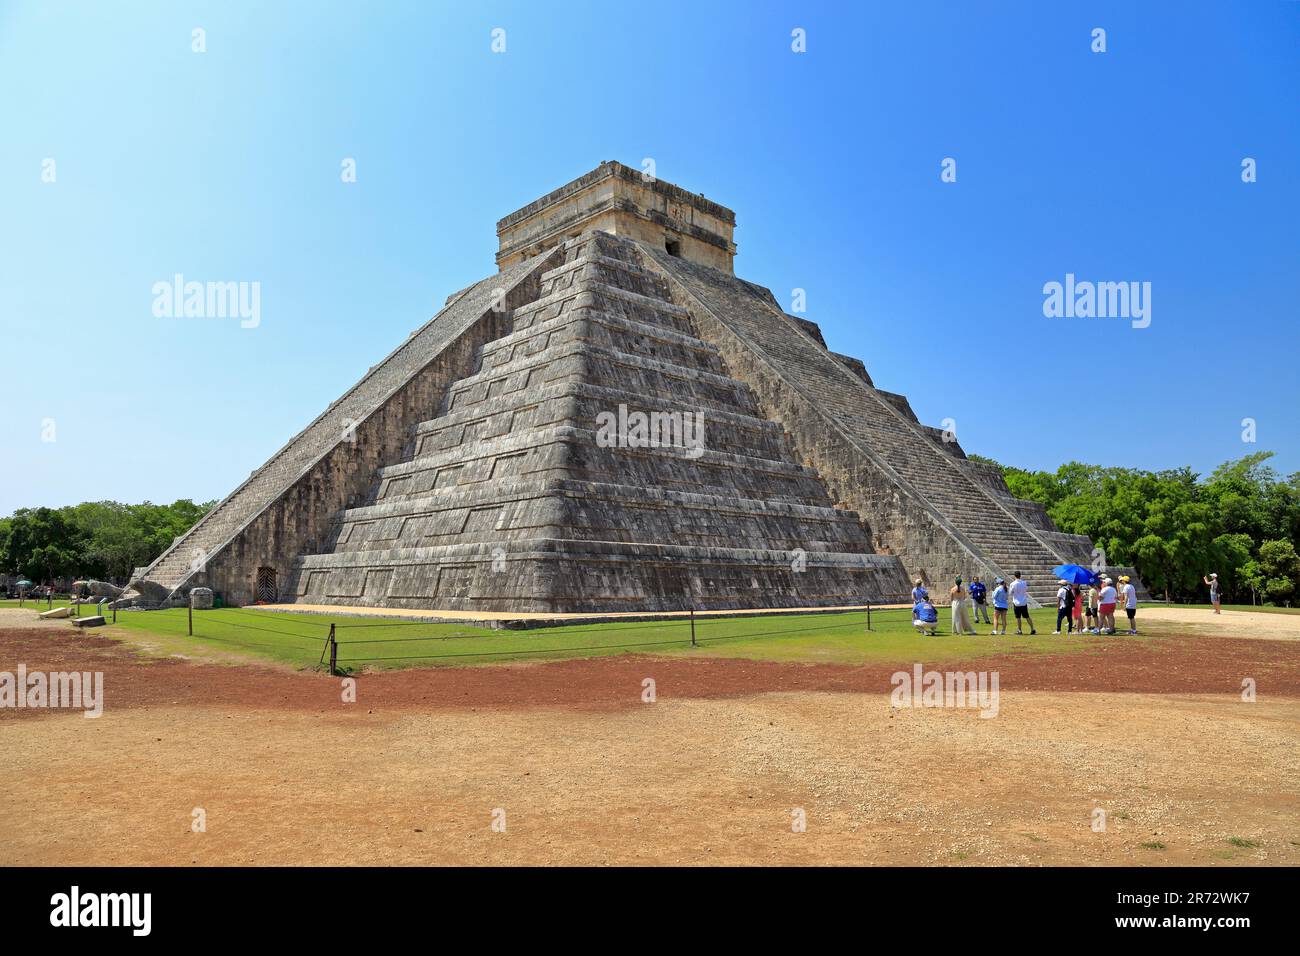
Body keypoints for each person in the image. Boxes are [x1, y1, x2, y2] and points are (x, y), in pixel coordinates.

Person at [1009, 571, 1036, 636]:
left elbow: (1010, 592)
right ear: (1020, 576)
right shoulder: (1024, 582)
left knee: (1018, 617)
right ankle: (1032, 629)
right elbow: (1025, 589)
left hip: (1016, 602)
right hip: (1023, 602)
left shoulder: (1013, 583)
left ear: (1014, 576)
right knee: (1027, 616)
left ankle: (1019, 630)